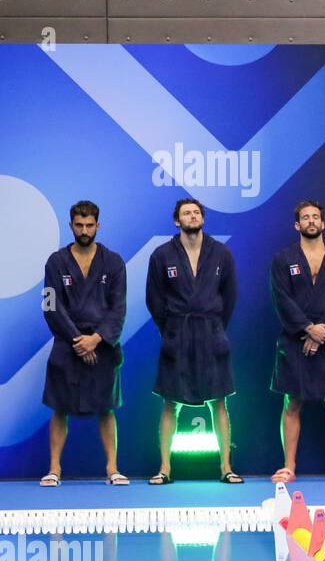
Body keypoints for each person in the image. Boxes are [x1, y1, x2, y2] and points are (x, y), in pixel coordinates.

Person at [145, 199, 242, 484]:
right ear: (177, 221)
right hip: (177, 333)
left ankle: (226, 467)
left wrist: (214, 327)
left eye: (197, 212)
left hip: (212, 333)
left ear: (203, 219)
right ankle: (165, 468)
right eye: (187, 213)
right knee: (169, 403)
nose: (192, 216)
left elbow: (230, 297)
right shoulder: (162, 255)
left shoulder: (221, 253)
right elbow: (154, 299)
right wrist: (172, 330)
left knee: (220, 402)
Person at [269, 201, 325, 483]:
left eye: (315, 217)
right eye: (305, 218)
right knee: (292, 402)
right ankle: (289, 467)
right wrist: (308, 329)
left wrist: (321, 334)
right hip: (294, 340)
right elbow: (281, 301)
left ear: (323, 224)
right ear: (297, 225)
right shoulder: (283, 260)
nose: (311, 221)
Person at [39, 201, 128, 486]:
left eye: (90, 225)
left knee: (106, 408)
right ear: (71, 226)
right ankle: (54, 469)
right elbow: (51, 306)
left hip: (102, 344)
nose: (85, 231)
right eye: (79, 225)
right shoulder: (55, 261)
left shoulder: (113, 262)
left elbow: (119, 308)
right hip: (68, 343)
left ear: (98, 225)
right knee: (59, 407)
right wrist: (79, 341)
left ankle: (113, 469)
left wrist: (97, 339)